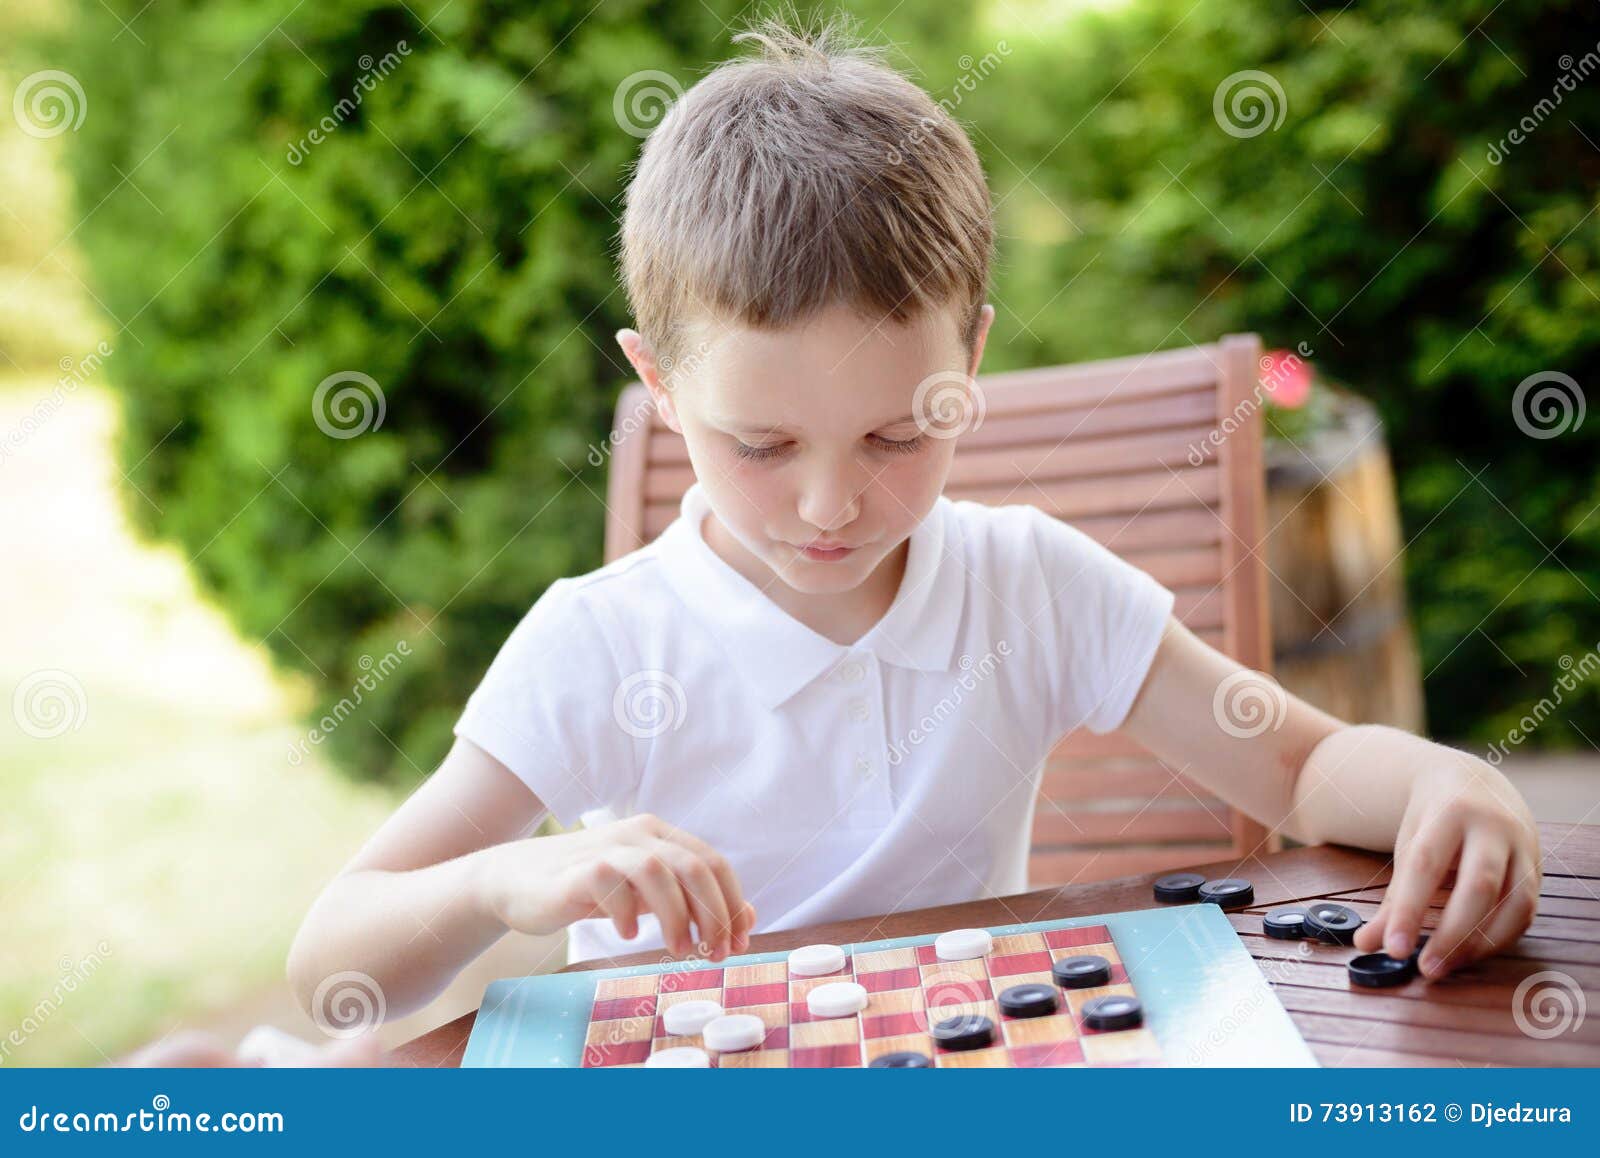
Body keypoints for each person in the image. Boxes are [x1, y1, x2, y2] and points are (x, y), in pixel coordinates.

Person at [287, 14, 1539, 1030]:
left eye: (898, 435)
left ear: (972, 358)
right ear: (658, 384)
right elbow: (336, 966)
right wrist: (508, 880)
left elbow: (1301, 768)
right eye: (761, 446)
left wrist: (1442, 781)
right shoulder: (599, 646)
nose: (833, 506)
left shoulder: (1028, 583)